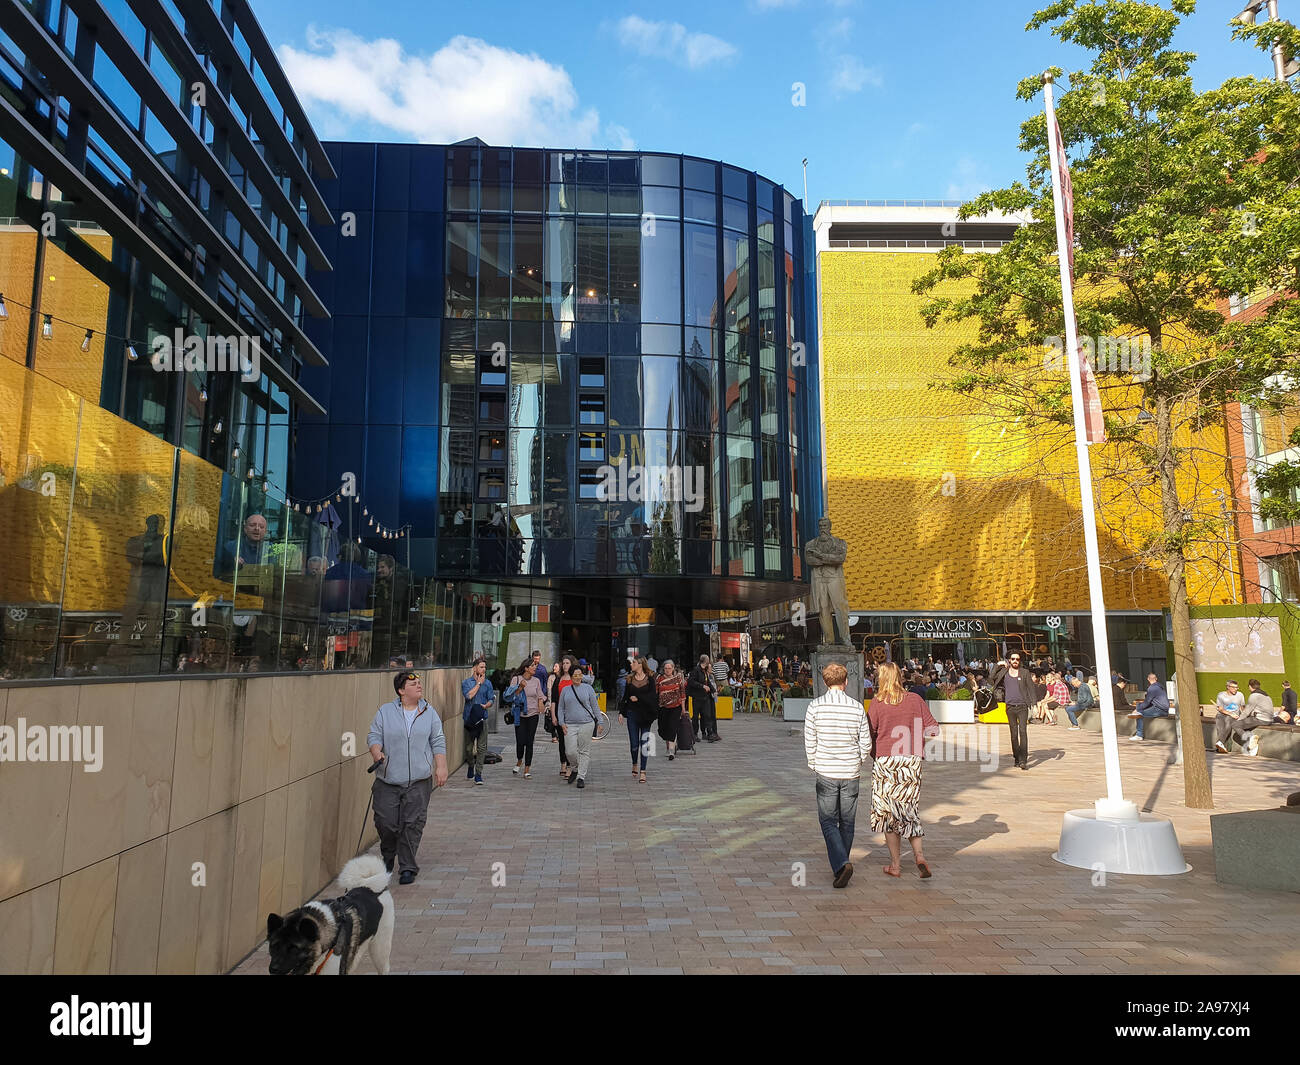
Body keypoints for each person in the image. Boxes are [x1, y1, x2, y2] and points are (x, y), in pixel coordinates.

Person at [367, 671, 449, 884]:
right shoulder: (385, 712)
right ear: (401, 690)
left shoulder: (429, 713)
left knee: (412, 824)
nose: (419, 686)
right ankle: (387, 856)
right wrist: (377, 753)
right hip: (388, 780)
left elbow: (438, 741)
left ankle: (407, 867)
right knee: (386, 824)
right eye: (413, 684)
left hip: (418, 782)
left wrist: (441, 766)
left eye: (420, 683)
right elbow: (374, 736)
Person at [867, 662, 940, 879]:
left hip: (886, 761)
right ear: (900, 676)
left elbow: (869, 732)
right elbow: (933, 728)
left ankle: (896, 865)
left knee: (888, 813)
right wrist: (919, 745)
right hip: (911, 760)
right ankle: (919, 856)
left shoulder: (877, 703)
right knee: (908, 809)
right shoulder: (915, 700)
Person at [804, 661, 872, 888]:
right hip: (851, 771)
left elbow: (810, 739)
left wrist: (814, 762)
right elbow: (866, 742)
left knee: (827, 820)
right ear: (846, 681)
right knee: (847, 822)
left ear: (824, 682)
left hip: (826, 770)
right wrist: (858, 761)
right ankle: (841, 864)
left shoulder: (815, 706)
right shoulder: (857, 707)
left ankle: (842, 863)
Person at [558, 665, 601, 788]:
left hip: (587, 724)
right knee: (570, 751)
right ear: (571, 677)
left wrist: (600, 722)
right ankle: (575, 768)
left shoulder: (588, 688)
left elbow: (595, 707)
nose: (578, 677)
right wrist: (562, 723)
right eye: (575, 675)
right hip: (569, 725)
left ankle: (581, 776)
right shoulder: (566, 690)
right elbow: (561, 708)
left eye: (580, 675)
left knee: (584, 751)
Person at [989, 653, 1034, 769]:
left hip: (1022, 706)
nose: (1015, 661)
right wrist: (997, 665)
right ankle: (1017, 758)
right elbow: (990, 679)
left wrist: (1035, 703)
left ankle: (1023, 760)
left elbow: (1031, 688)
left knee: (1023, 732)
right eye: (1013, 659)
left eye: (1017, 659)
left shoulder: (1025, 672)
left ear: (1020, 661)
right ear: (1009, 660)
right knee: (1014, 734)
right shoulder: (1004, 672)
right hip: (1009, 707)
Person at [620, 655, 659, 783]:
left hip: (646, 715)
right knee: (634, 744)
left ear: (641, 664)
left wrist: (639, 698)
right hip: (632, 714)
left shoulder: (650, 679)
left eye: (634, 662)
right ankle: (634, 763)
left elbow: (653, 697)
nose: (631, 664)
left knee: (645, 743)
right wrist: (621, 712)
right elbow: (625, 696)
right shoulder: (629, 679)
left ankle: (643, 771)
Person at [505, 663, 546, 777]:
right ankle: (519, 760)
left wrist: (541, 701)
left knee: (529, 741)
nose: (535, 668)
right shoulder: (516, 679)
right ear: (526, 668)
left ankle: (527, 768)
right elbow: (511, 696)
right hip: (519, 714)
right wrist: (521, 687)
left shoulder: (536, 680)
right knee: (520, 741)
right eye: (532, 666)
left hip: (533, 714)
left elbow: (540, 695)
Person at [461, 659, 494, 785]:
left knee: (482, 748)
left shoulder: (488, 683)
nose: (484, 669)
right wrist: (479, 684)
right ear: (475, 668)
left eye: (485, 667)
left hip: (482, 718)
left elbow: (491, 698)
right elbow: (468, 696)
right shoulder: (466, 683)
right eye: (481, 667)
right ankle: (470, 765)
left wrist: (487, 705)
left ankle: (478, 773)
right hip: (469, 719)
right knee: (469, 749)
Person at [1230, 679, 1274, 756]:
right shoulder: (1266, 695)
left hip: (1261, 719)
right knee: (1245, 724)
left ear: (1250, 686)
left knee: (1235, 725)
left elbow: (1247, 711)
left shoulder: (1254, 696)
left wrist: (1239, 719)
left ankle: (1250, 740)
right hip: (1269, 719)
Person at [656, 659, 685, 760]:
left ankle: (671, 751)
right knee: (663, 729)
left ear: (673, 669)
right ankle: (669, 746)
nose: (667, 670)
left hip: (676, 707)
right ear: (663, 669)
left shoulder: (678, 679)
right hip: (663, 707)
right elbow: (655, 693)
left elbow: (682, 694)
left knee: (672, 727)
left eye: (669, 668)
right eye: (666, 668)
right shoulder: (659, 679)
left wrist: (683, 709)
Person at [687, 654, 721, 742]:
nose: (709, 661)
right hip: (697, 697)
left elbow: (708, 682)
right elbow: (691, 682)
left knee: (707, 715)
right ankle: (694, 734)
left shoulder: (704, 671)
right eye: (708, 659)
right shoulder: (696, 670)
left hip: (705, 698)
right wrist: (702, 686)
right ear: (705, 661)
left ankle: (710, 734)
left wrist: (714, 690)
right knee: (695, 717)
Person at [1127, 673, 1169, 741]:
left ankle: (1139, 735)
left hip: (1159, 710)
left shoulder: (1152, 688)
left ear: (1148, 679)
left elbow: (1147, 702)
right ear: (1156, 679)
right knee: (1140, 711)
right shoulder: (1160, 687)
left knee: (1139, 714)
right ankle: (1139, 734)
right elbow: (1151, 702)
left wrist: (1137, 708)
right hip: (1165, 710)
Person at [1212, 680, 1247, 754]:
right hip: (1222, 714)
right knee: (1221, 727)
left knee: (1228, 721)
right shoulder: (1221, 695)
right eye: (1233, 687)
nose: (1236, 689)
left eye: (1237, 687)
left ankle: (1220, 743)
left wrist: (1243, 716)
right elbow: (1221, 709)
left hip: (1233, 716)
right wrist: (1230, 713)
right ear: (1228, 687)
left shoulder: (1240, 695)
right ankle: (1222, 746)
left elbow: (1242, 707)